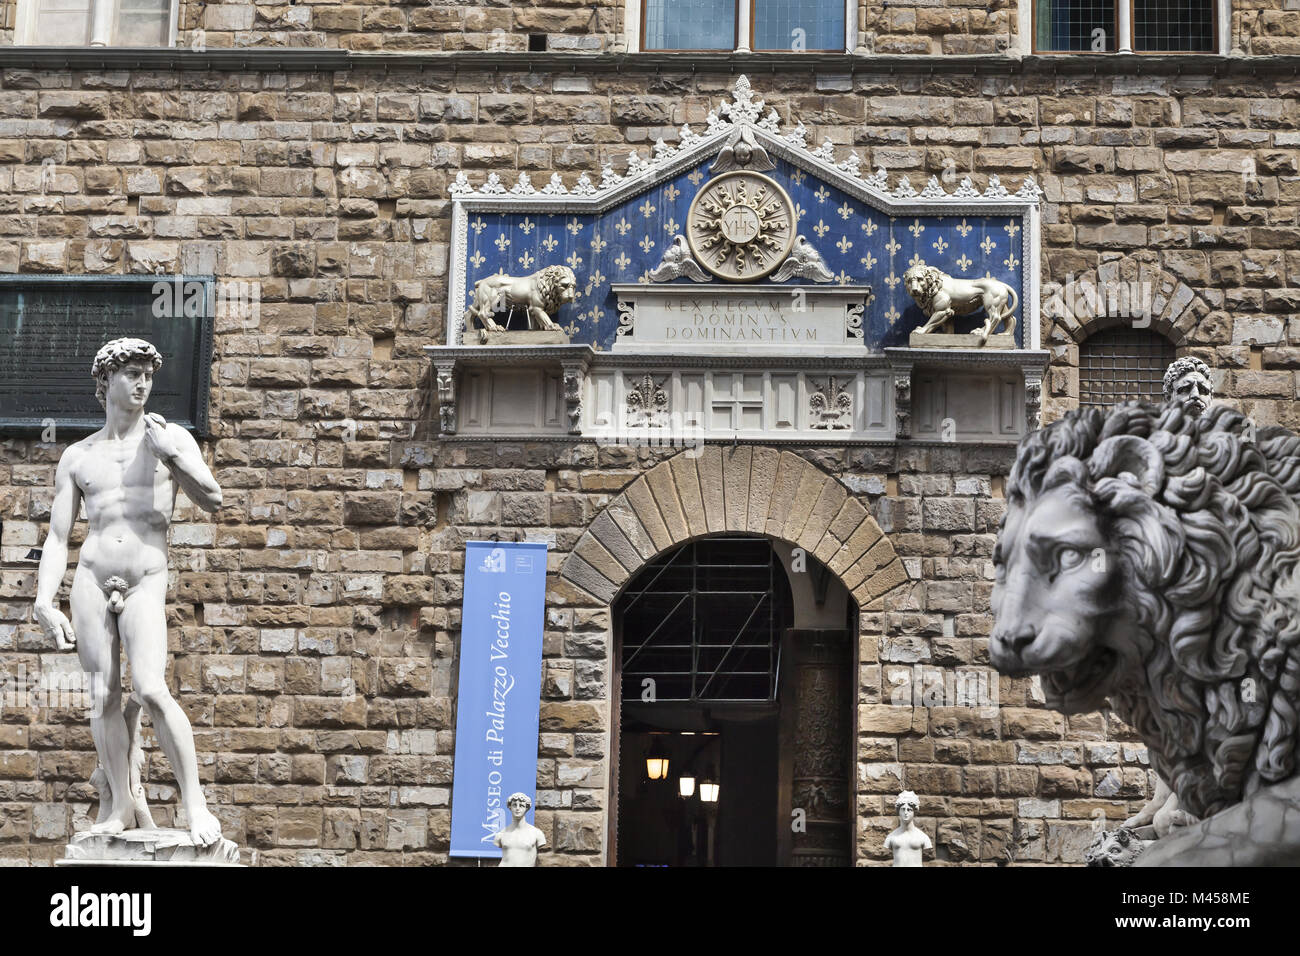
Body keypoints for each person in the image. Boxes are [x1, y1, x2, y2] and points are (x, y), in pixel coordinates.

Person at [33, 338, 225, 846]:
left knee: (151, 687)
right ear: (105, 383)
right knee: (103, 697)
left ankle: (195, 804)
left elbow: (214, 499)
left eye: (148, 374)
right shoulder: (77, 456)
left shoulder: (171, 438)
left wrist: (173, 459)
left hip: (145, 579)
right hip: (92, 578)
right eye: (132, 373)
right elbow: (58, 537)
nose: (143, 383)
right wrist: (43, 600)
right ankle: (120, 801)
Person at [493, 792, 547, 867]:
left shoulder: (536, 834)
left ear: (526, 808)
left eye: (521, 805)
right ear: (510, 807)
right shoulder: (501, 835)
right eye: (514, 805)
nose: (517, 808)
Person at [883, 790, 931, 867]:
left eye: (909, 810)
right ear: (898, 811)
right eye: (903, 809)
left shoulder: (923, 837)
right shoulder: (891, 837)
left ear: (914, 812)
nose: (905, 812)